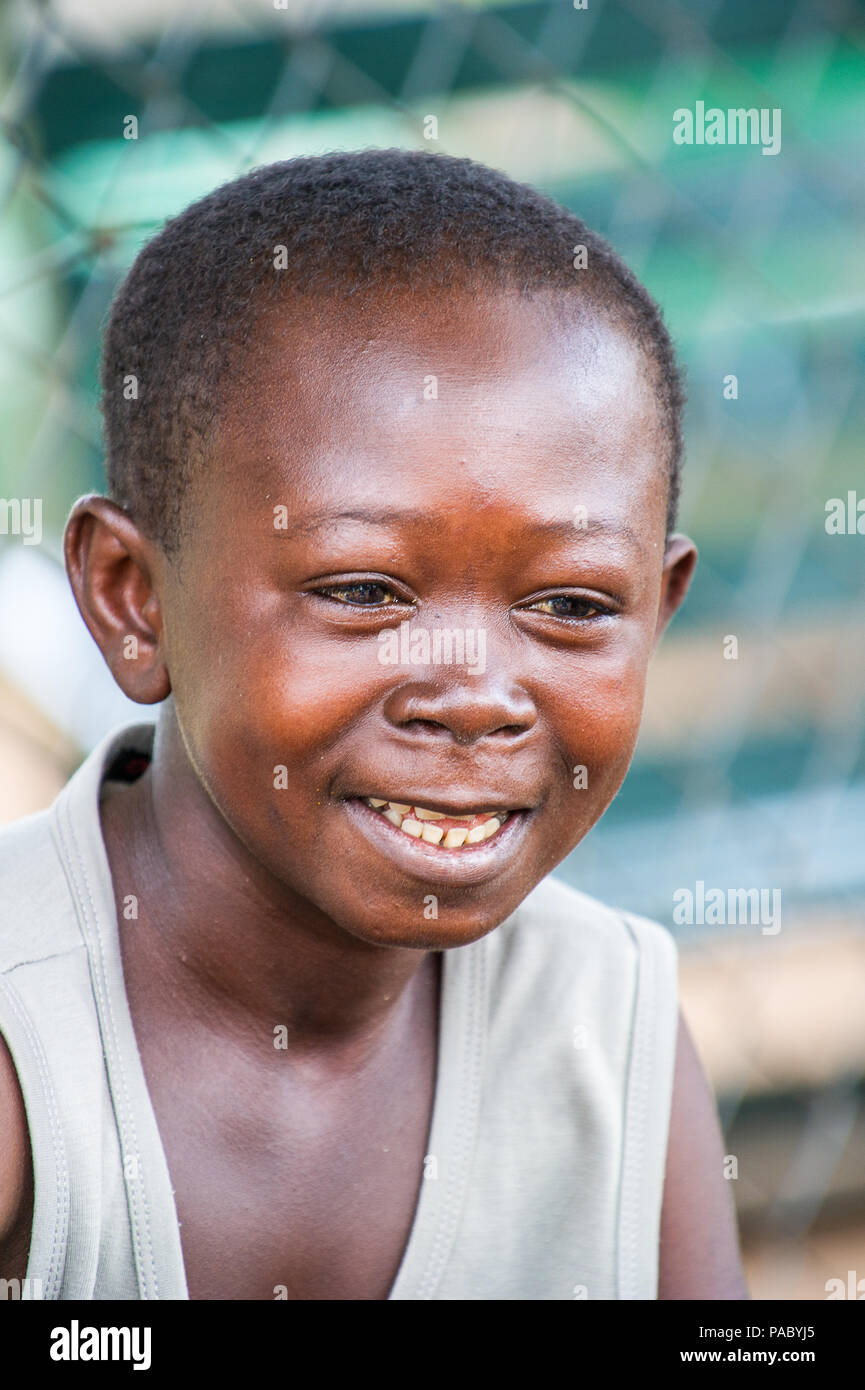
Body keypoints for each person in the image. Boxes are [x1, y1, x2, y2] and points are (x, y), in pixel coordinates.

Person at [0, 149, 747, 1300]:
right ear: (134, 599)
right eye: (360, 592)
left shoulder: (611, 1028)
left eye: (570, 606)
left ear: (660, 605)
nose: (476, 696)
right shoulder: (26, 1048)